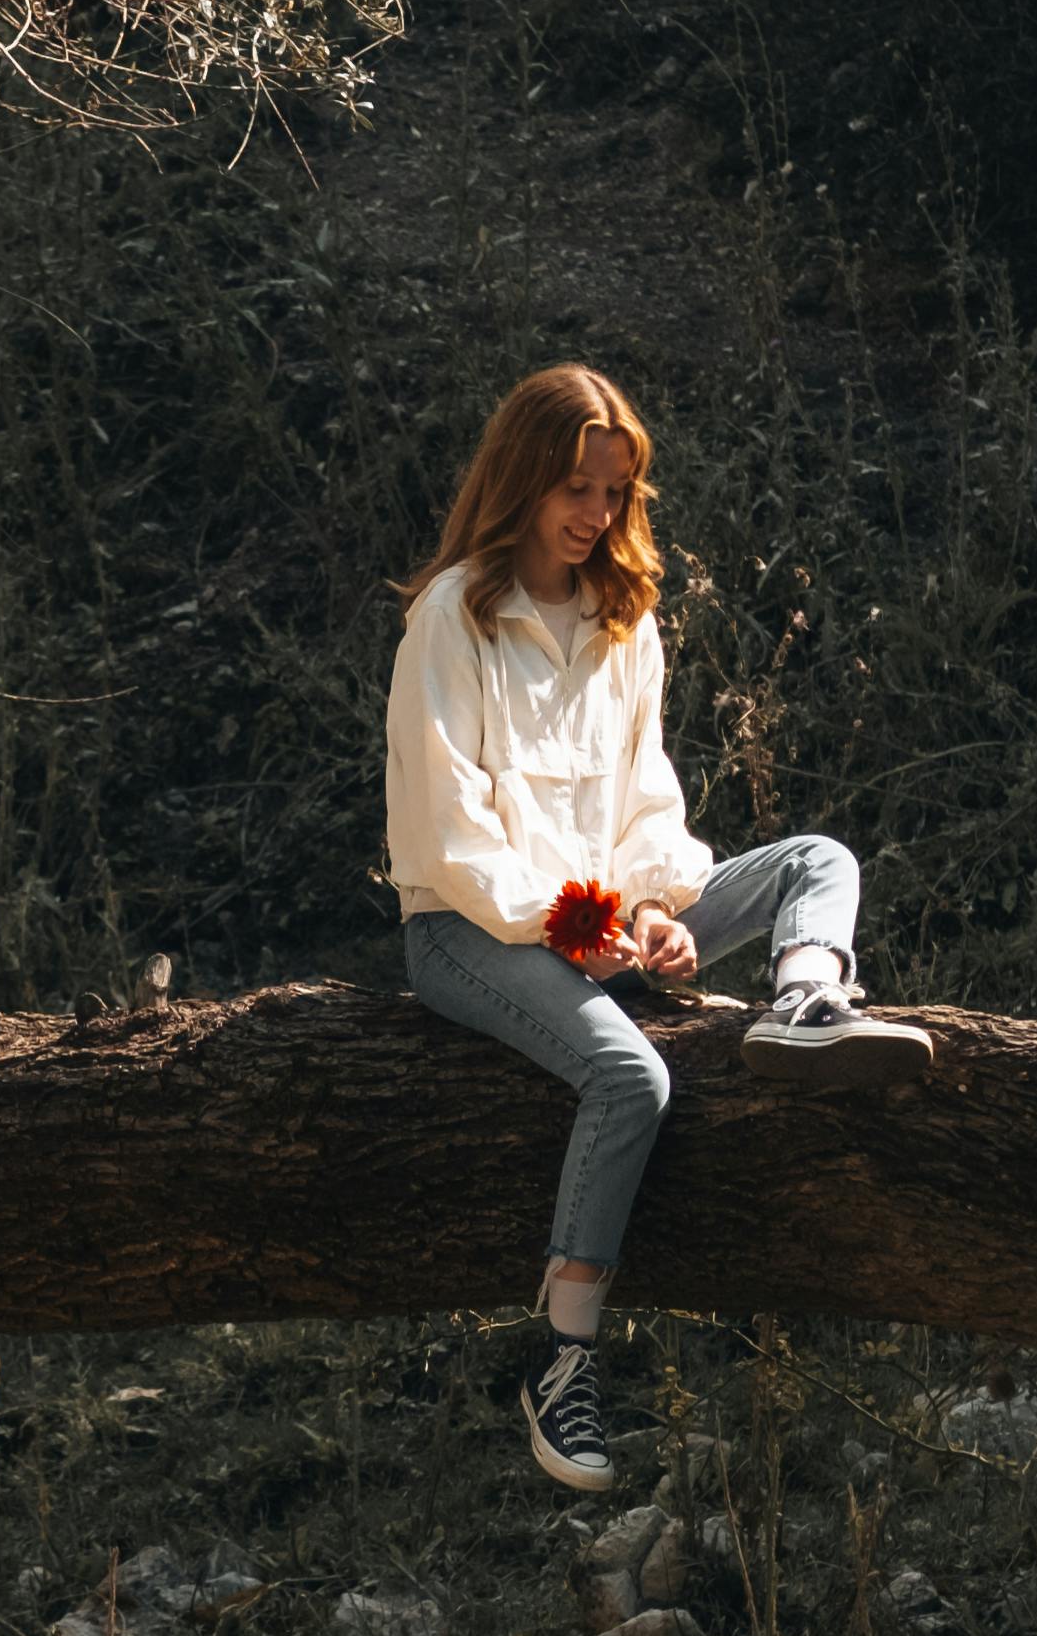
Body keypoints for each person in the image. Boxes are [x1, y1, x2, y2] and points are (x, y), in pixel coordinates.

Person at [385, 364, 929, 1492]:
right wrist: (579, 921)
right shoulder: (454, 616)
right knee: (633, 1077)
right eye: (576, 488)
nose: (596, 513)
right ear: (523, 478)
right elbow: (450, 838)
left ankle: (804, 1004)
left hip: (600, 924)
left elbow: (644, 806)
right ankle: (564, 1359)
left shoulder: (624, 623)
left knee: (818, 860)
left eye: (614, 492)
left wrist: (650, 910)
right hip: (467, 932)